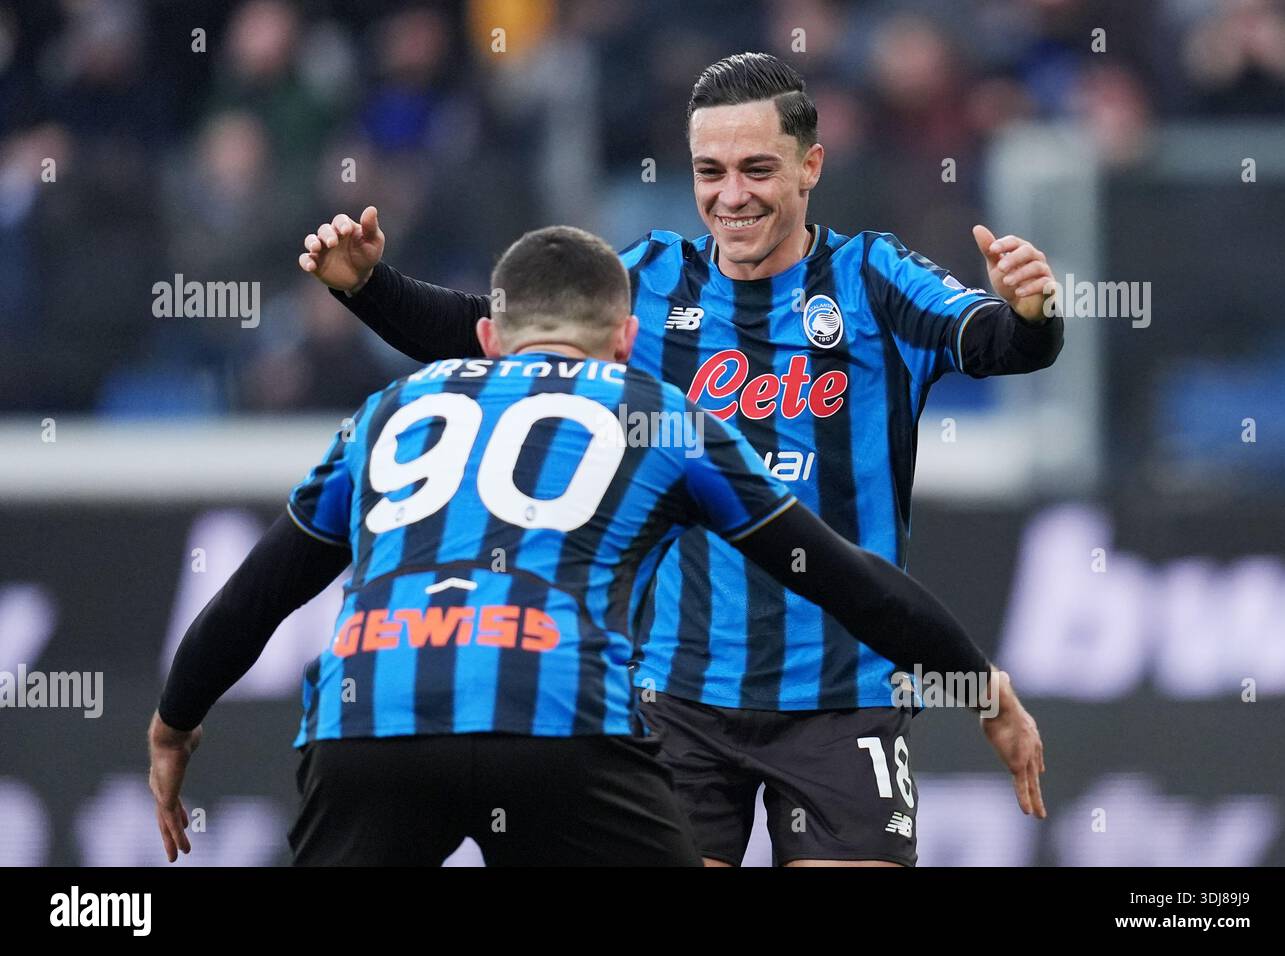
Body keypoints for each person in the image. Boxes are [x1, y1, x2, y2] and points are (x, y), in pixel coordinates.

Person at [299, 53, 1056, 866]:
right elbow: (490, 333)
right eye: (711, 171)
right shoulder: (651, 280)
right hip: (676, 694)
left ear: (811, 167)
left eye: (758, 170)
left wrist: (1031, 309)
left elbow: (998, 345)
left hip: (845, 694)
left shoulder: (874, 279)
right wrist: (370, 287)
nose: (732, 196)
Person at [150, 225, 1038, 866]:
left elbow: (258, 592)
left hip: (370, 716)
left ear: (491, 341)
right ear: (625, 344)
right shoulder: (656, 412)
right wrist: (978, 683)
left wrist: (175, 721)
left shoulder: (393, 408)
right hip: (557, 716)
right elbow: (845, 578)